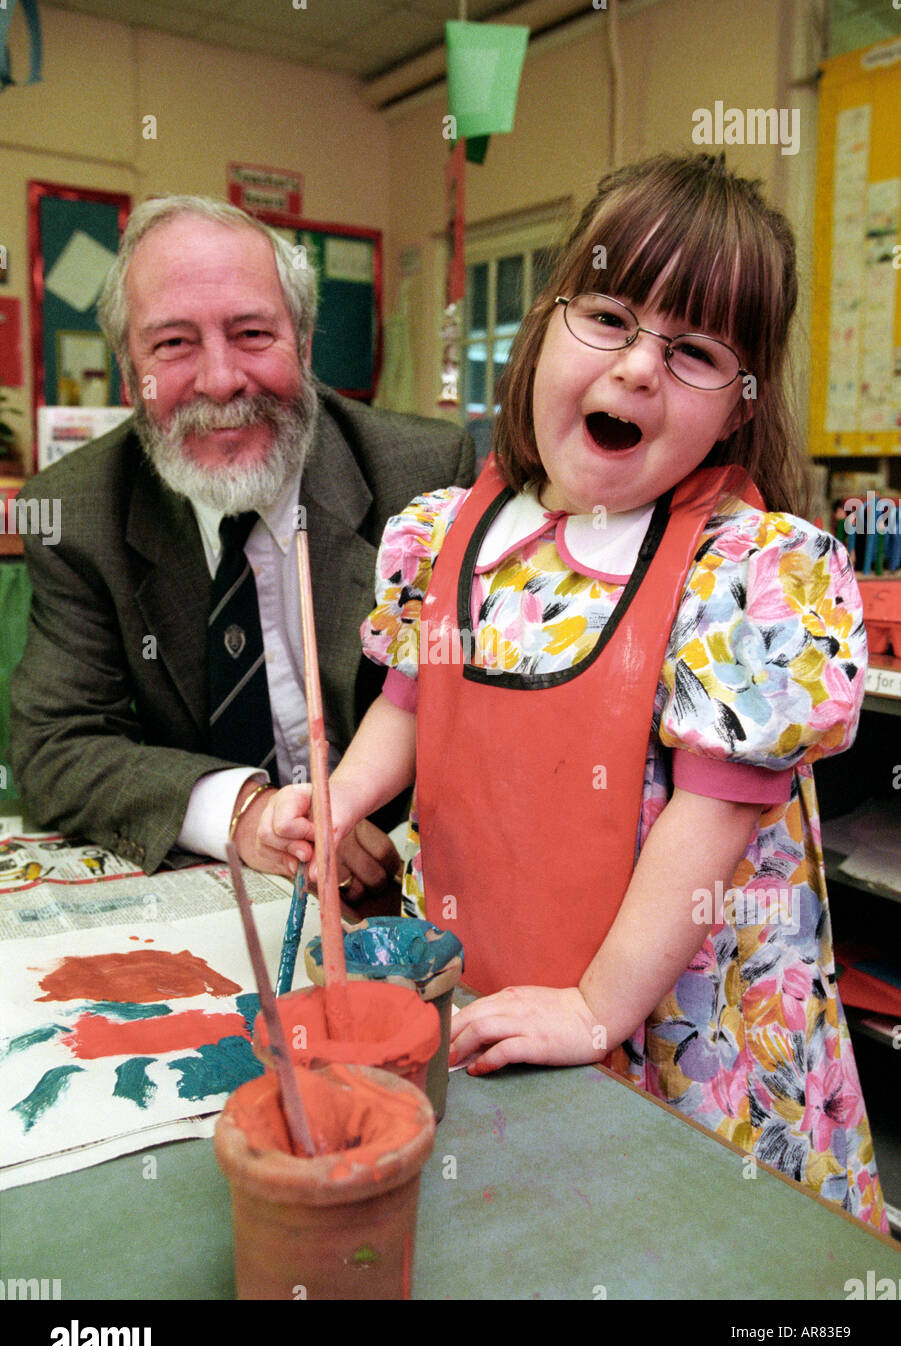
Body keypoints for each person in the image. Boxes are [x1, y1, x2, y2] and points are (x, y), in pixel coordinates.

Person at [261, 154, 886, 1230]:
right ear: (545, 329)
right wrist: (340, 798)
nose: (639, 367)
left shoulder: (752, 573)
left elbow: (714, 814)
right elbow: (407, 707)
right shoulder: (448, 534)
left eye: (691, 351)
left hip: (679, 1027)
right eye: (607, 316)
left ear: (738, 409)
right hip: (508, 984)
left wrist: (600, 1006)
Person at [9, 196, 474, 902]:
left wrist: (353, 811)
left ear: (306, 344)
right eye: (172, 344)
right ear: (130, 370)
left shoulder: (425, 478)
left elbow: (480, 714)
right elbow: (56, 747)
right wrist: (247, 814)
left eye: (252, 333)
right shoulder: (77, 511)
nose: (221, 380)